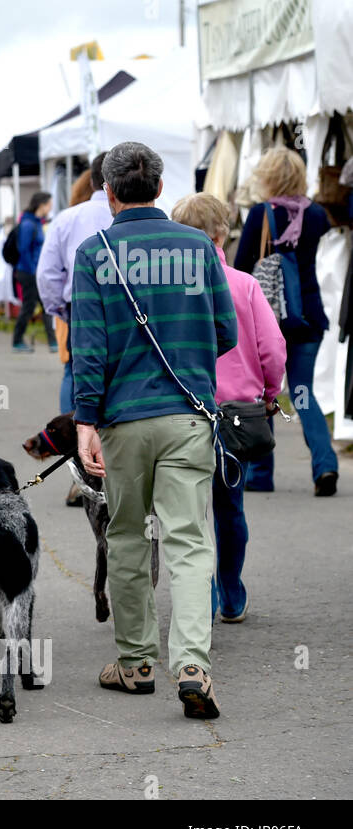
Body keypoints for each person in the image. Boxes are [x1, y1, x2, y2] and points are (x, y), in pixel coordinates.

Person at [71, 142, 237, 719]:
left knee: (126, 537)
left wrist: (84, 420)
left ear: (109, 193)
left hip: (121, 418)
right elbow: (227, 331)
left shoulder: (96, 253)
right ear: (161, 188)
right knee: (190, 541)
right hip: (189, 412)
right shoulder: (199, 246)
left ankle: (136, 662)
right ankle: (191, 663)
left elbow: (88, 350)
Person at [171, 193, 286, 624]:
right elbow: (272, 347)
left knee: (185, 511)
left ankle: (194, 594)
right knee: (229, 505)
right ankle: (230, 590)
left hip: (179, 409)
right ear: (222, 234)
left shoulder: (166, 288)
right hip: (235, 413)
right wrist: (270, 393)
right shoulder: (243, 284)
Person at [233, 147, 338, 497]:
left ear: (269, 177)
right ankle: (325, 465)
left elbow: (243, 265)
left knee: (265, 394)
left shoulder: (262, 214)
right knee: (304, 394)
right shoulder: (319, 215)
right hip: (308, 319)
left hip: (269, 323)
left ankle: (261, 474)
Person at [38, 152, 111, 415]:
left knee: (75, 368)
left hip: (79, 305)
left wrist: (59, 308)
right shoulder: (140, 219)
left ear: (91, 181)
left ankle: (71, 435)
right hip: (129, 303)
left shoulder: (67, 218)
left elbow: (47, 273)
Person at [12, 191, 56, 352]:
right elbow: (23, 250)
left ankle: (53, 342)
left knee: (45, 305)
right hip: (29, 272)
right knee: (29, 306)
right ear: (42, 205)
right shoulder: (28, 224)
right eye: (49, 205)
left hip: (34, 271)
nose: (50, 208)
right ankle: (17, 341)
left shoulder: (36, 222)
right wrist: (33, 272)